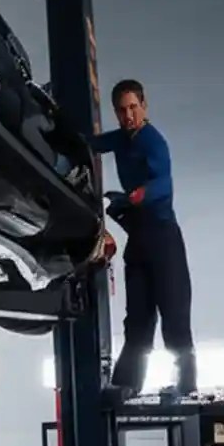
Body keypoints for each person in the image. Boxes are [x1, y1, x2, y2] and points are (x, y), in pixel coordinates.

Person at [89, 79, 196, 397]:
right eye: (122, 110)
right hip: (138, 240)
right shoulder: (121, 140)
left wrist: (137, 195)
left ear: (144, 106)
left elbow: (164, 182)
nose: (128, 115)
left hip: (163, 239)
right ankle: (126, 383)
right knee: (137, 319)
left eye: (133, 107)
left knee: (174, 314)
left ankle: (187, 384)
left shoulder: (153, 141)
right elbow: (92, 144)